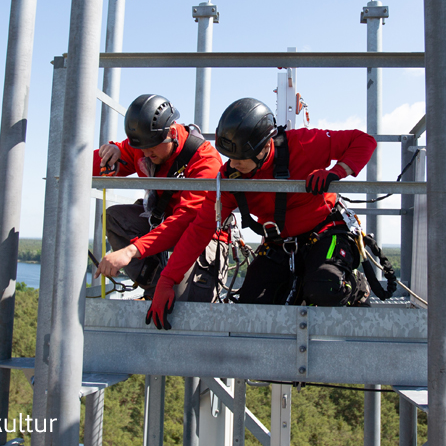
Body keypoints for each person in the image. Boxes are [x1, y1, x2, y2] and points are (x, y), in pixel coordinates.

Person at [145, 97, 377, 330]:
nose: (233, 165)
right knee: (252, 311)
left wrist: (337, 171)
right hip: (281, 244)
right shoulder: (230, 179)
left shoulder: (303, 144)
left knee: (325, 286)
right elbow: (201, 229)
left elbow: (362, 141)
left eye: (239, 158)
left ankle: (356, 287)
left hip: (325, 231)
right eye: (229, 157)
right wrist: (167, 279)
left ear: (266, 145)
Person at [93, 94, 228, 302]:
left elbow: (187, 220)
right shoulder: (147, 145)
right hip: (165, 226)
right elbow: (98, 163)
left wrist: (131, 251)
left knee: (181, 302)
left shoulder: (205, 161)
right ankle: (154, 288)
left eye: (151, 147)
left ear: (171, 132)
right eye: (141, 148)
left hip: (201, 235)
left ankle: (170, 289)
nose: (146, 154)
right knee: (114, 217)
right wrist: (111, 152)